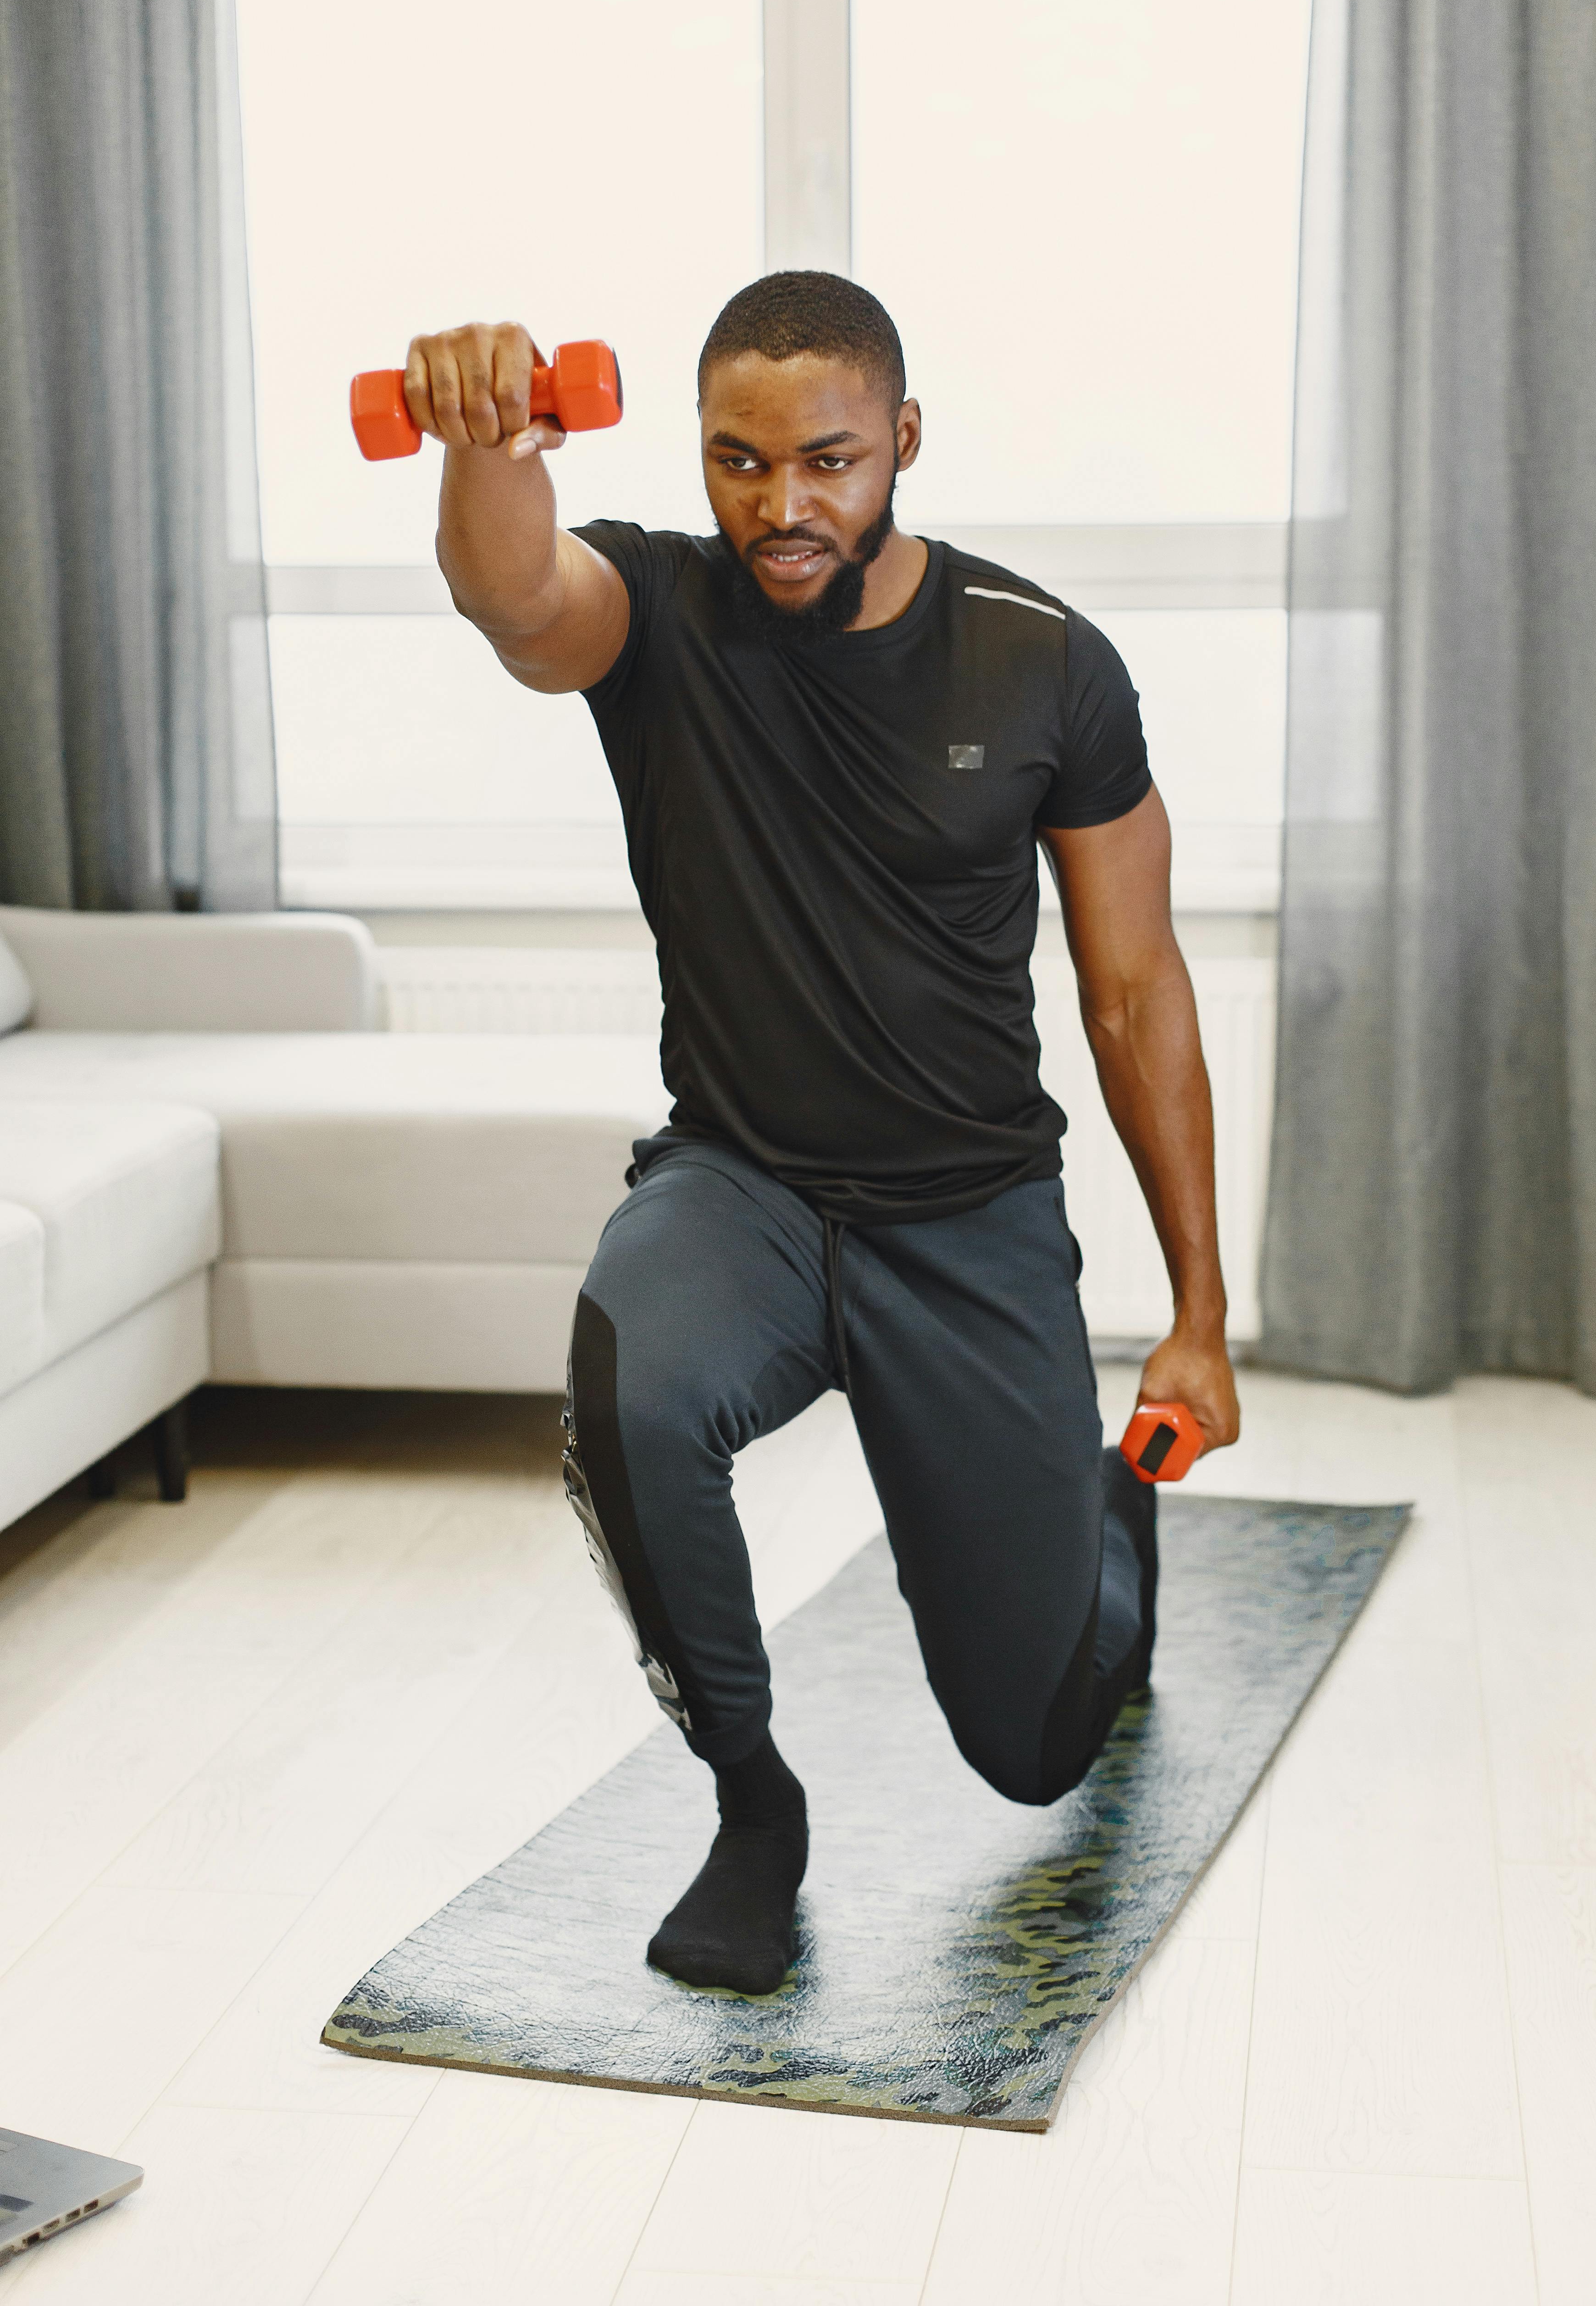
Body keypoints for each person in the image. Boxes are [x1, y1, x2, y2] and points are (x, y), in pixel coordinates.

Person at [405, 273, 1241, 1996]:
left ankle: (1106, 1537)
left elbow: (1138, 996)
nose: (782, 508)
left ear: (906, 445)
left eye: (829, 463)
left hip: (972, 1216)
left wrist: (1201, 1317)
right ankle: (752, 1807)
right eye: (740, 463)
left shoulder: (1047, 663)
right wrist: (490, 439)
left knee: (1038, 1749)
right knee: (630, 1388)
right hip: (747, 1188)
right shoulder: (656, 612)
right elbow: (513, 593)